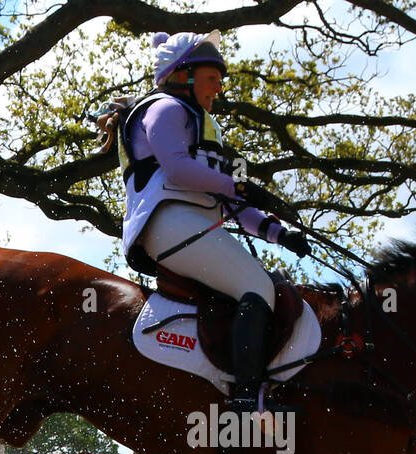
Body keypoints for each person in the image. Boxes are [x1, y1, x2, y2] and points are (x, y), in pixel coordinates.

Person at [117, 30, 310, 414]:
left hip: (193, 224)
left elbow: (226, 200)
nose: (218, 89)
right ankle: (244, 401)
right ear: (184, 75)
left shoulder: (203, 127)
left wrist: (278, 232)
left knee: (262, 284)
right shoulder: (166, 109)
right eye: (212, 79)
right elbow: (179, 169)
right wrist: (239, 185)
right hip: (169, 223)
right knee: (256, 286)